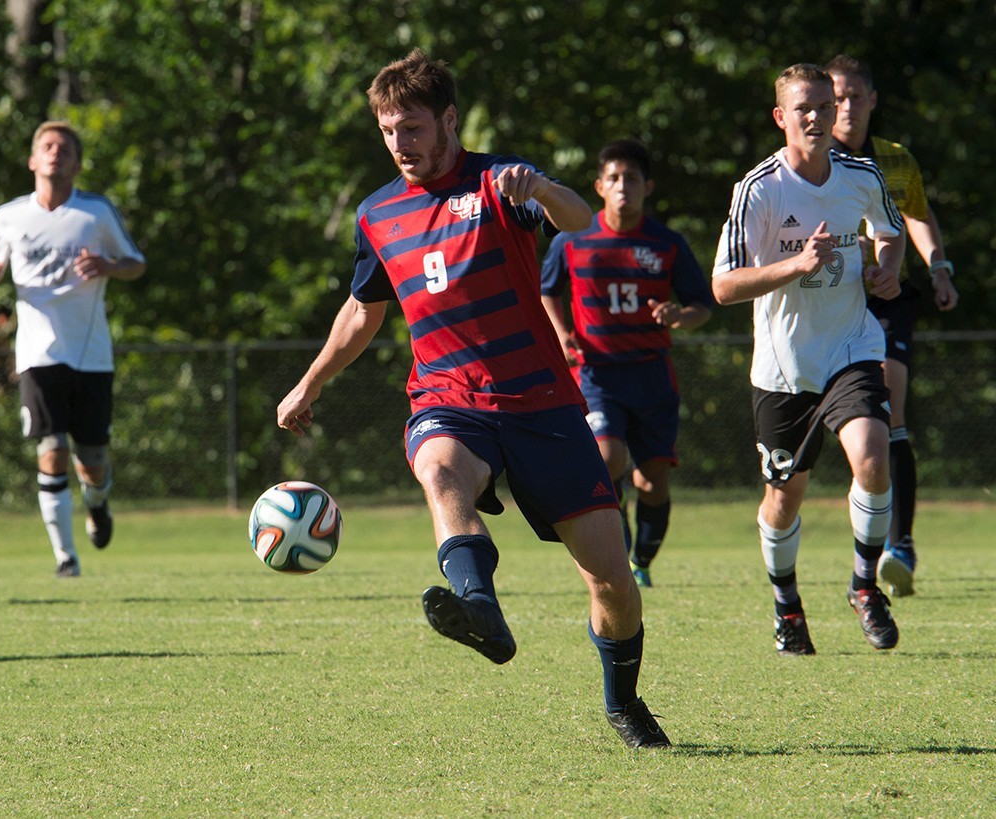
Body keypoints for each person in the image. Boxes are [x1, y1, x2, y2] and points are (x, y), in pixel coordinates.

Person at [277, 49, 670, 749]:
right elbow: (363, 310)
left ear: (449, 120)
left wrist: (542, 189)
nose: (401, 143)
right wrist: (309, 382)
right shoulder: (377, 215)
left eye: (414, 128)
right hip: (449, 395)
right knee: (440, 470)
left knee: (611, 578)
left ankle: (624, 701)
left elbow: (581, 220)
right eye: (389, 129)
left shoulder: (498, 182)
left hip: (544, 403)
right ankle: (480, 609)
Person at [711, 64, 906, 655]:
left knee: (873, 457)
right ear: (782, 118)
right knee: (783, 499)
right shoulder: (760, 189)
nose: (818, 117)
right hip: (784, 369)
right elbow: (723, 287)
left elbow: (889, 232)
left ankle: (865, 585)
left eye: (826, 105)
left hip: (850, 345)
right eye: (805, 109)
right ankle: (787, 605)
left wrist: (887, 269)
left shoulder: (860, 175)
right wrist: (797, 265)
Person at [0, 121, 146, 577]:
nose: (55, 153)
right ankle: (65, 558)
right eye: (46, 146)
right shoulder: (10, 215)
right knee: (49, 447)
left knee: (92, 459)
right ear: (33, 160)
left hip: (91, 354)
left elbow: (135, 263)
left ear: (76, 163)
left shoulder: (95, 212)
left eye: (64, 148)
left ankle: (98, 504)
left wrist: (108, 265)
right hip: (36, 353)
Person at [540, 139, 713, 588]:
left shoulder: (666, 243)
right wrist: (560, 334)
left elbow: (701, 305)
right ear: (599, 186)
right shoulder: (572, 238)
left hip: (652, 375)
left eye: (632, 178)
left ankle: (643, 560)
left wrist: (681, 315)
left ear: (647, 186)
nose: (623, 187)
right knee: (607, 457)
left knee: (653, 480)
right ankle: (615, 550)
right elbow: (546, 291)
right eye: (614, 178)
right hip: (596, 374)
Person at [826, 54, 959, 598]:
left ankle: (897, 545)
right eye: (837, 97)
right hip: (825, 306)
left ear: (873, 100)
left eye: (856, 95)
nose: (847, 106)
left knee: (890, 406)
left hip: (886, 301)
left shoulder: (895, 161)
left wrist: (940, 269)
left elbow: (917, 214)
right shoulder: (810, 163)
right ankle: (864, 535)